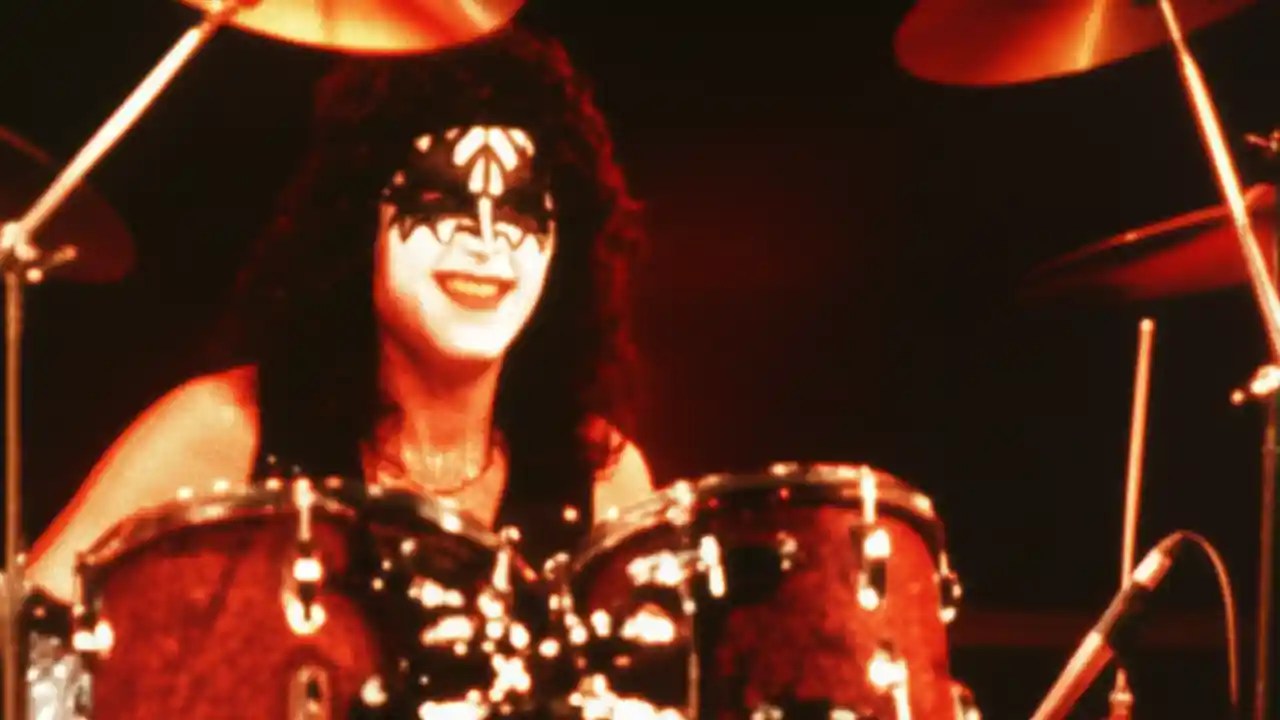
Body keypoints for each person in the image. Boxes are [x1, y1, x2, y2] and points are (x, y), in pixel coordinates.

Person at [26, 25, 654, 603]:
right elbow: (29, 641)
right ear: (359, 227)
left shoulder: (601, 476)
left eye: (520, 209)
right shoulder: (226, 431)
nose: (486, 240)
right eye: (439, 200)